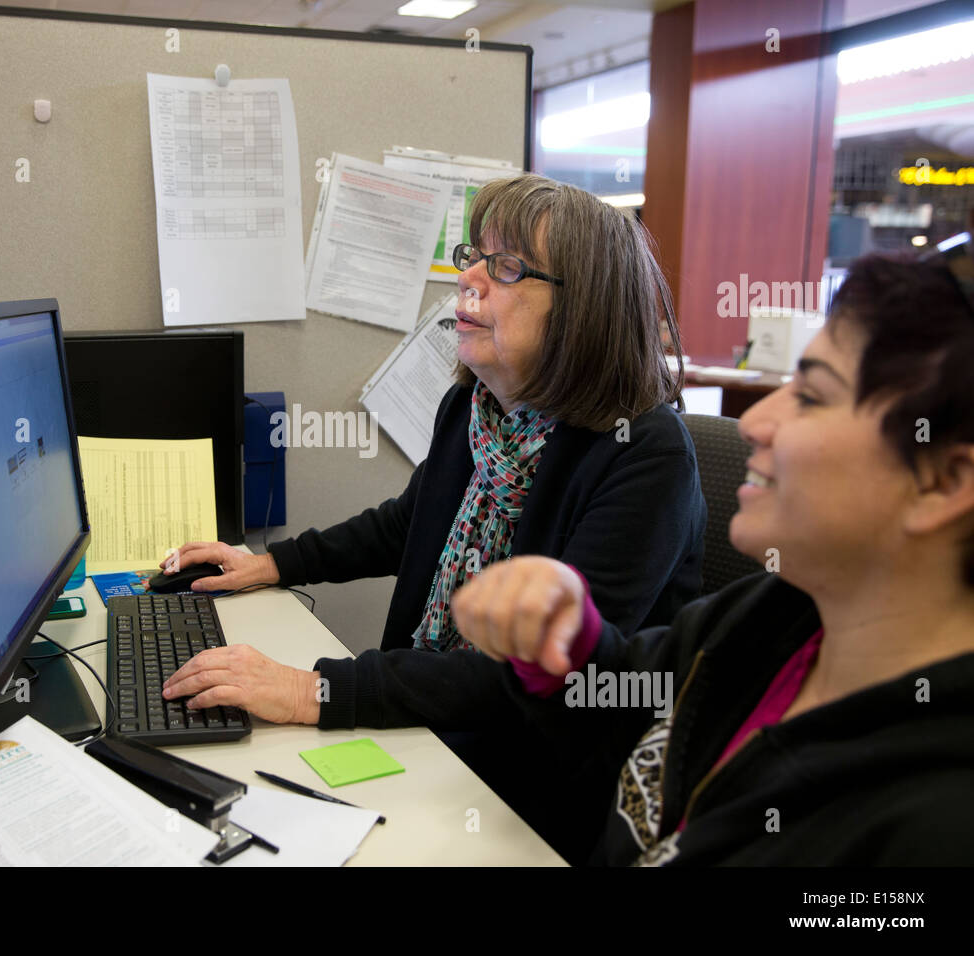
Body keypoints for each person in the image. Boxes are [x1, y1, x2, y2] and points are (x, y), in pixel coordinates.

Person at [162, 174, 707, 857]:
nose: (468, 277)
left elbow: (542, 672)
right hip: (434, 724)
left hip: (540, 778)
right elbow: (405, 525)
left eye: (506, 266)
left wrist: (316, 691)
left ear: (584, 308)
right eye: (472, 254)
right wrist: (273, 562)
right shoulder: (475, 410)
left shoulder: (644, 454)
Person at [447, 245, 974, 865]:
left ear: (943, 482)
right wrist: (564, 642)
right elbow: (623, 717)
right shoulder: (770, 615)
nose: (756, 421)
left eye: (811, 396)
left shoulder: (938, 822)